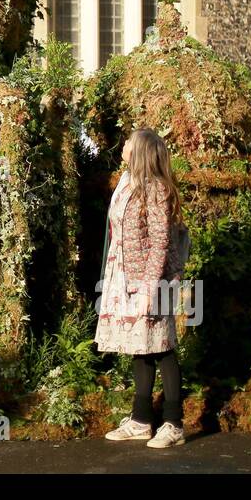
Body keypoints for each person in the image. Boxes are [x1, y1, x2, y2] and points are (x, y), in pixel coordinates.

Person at [94, 127, 187, 448]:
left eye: (128, 142)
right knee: (140, 346)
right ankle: (141, 420)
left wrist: (149, 289)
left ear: (140, 151)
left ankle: (174, 424)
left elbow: (160, 242)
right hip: (124, 274)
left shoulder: (157, 189)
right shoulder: (125, 182)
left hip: (152, 277)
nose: (123, 145)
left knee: (161, 347)